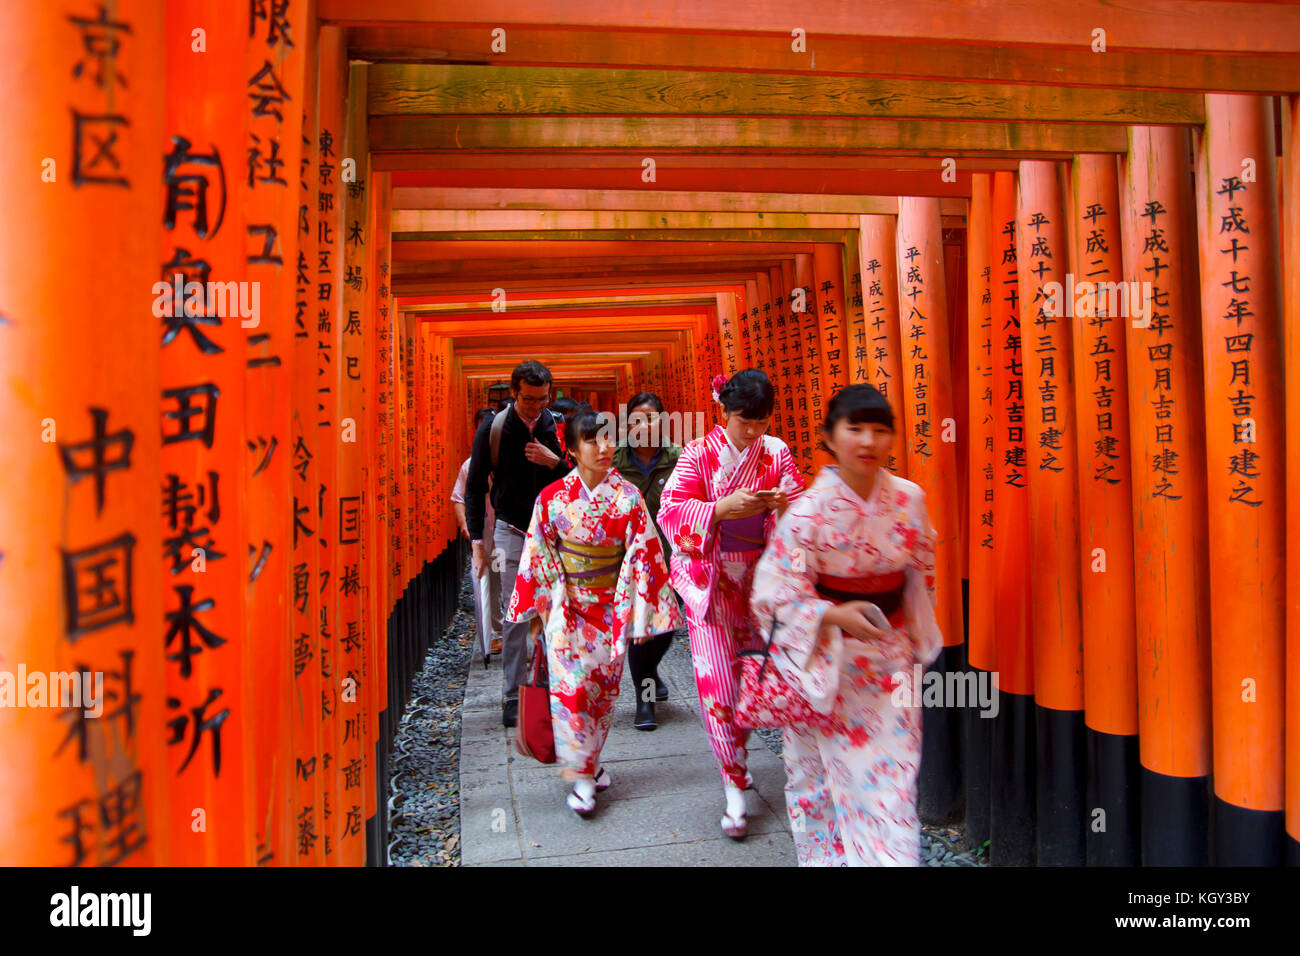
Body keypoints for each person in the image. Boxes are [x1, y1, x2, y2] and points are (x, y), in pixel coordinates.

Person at [749, 384, 943, 866]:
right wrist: (830, 613)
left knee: (889, 788)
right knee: (816, 784)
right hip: (823, 669)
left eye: (880, 430)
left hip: (890, 664)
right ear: (829, 437)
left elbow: (921, 571)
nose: (868, 440)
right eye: (854, 428)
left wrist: (918, 635)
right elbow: (772, 594)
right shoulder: (807, 513)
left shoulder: (909, 499)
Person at [505, 406, 682, 816]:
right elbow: (539, 555)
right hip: (566, 610)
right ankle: (583, 781)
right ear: (572, 449)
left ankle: (592, 761)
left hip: (611, 608)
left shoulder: (629, 497)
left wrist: (643, 615)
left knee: (601, 695)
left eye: (609, 438)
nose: (605, 447)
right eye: (593, 440)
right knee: (573, 691)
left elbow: (645, 557)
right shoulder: (551, 499)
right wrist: (538, 612)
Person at [658, 369, 805, 839]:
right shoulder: (697, 454)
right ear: (724, 412)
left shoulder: (777, 452)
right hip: (715, 581)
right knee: (718, 688)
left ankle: (760, 765)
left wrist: (781, 504)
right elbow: (670, 510)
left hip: (764, 584)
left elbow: (803, 510)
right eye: (745, 421)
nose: (753, 431)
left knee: (759, 682)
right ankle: (735, 784)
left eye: (762, 422)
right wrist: (720, 509)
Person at [465, 361, 570, 727]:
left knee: (555, 609)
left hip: (552, 532)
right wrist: (478, 541)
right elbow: (475, 486)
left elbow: (576, 482)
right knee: (515, 613)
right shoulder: (493, 429)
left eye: (542, 399)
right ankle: (513, 693)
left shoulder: (553, 425)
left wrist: (553, 460)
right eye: (528, 399)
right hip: (510, 530)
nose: (535, 406)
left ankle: (551, 684)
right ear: (514, 394)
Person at [611, 392, 683, 730]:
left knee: (665, 629)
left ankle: (651, 671)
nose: (644, 425)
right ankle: (645, 700)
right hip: (627, 563)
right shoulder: (613, 460)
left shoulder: (679, 458)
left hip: (670, 560)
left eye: (650, 418)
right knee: (641, 630)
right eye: (636, 419)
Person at [451, 407, 503, 666]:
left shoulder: (511, 459)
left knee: (510, 581)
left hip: (509, 531)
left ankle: (515, 631)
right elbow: (459, 498)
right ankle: (495, 633)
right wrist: (465, 525)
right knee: (486, 584)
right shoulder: (470, 466)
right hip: (483, 533)